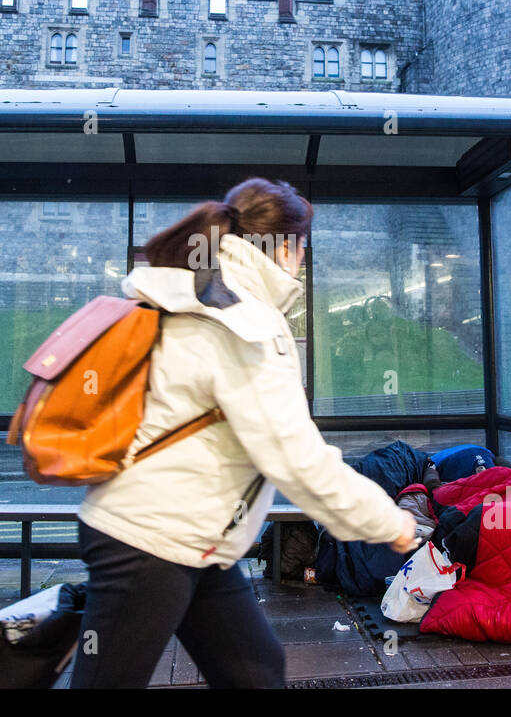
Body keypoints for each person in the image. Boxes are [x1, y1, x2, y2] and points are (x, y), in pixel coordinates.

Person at [70, 178, 418, 689]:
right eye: (303, 247)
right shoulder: (246, 321)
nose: (302, 260)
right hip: (149, 540)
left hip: (195, 542)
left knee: (255, 670)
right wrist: (386, 520)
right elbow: (295, 457)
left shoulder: (199, 296)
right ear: (285, 247)